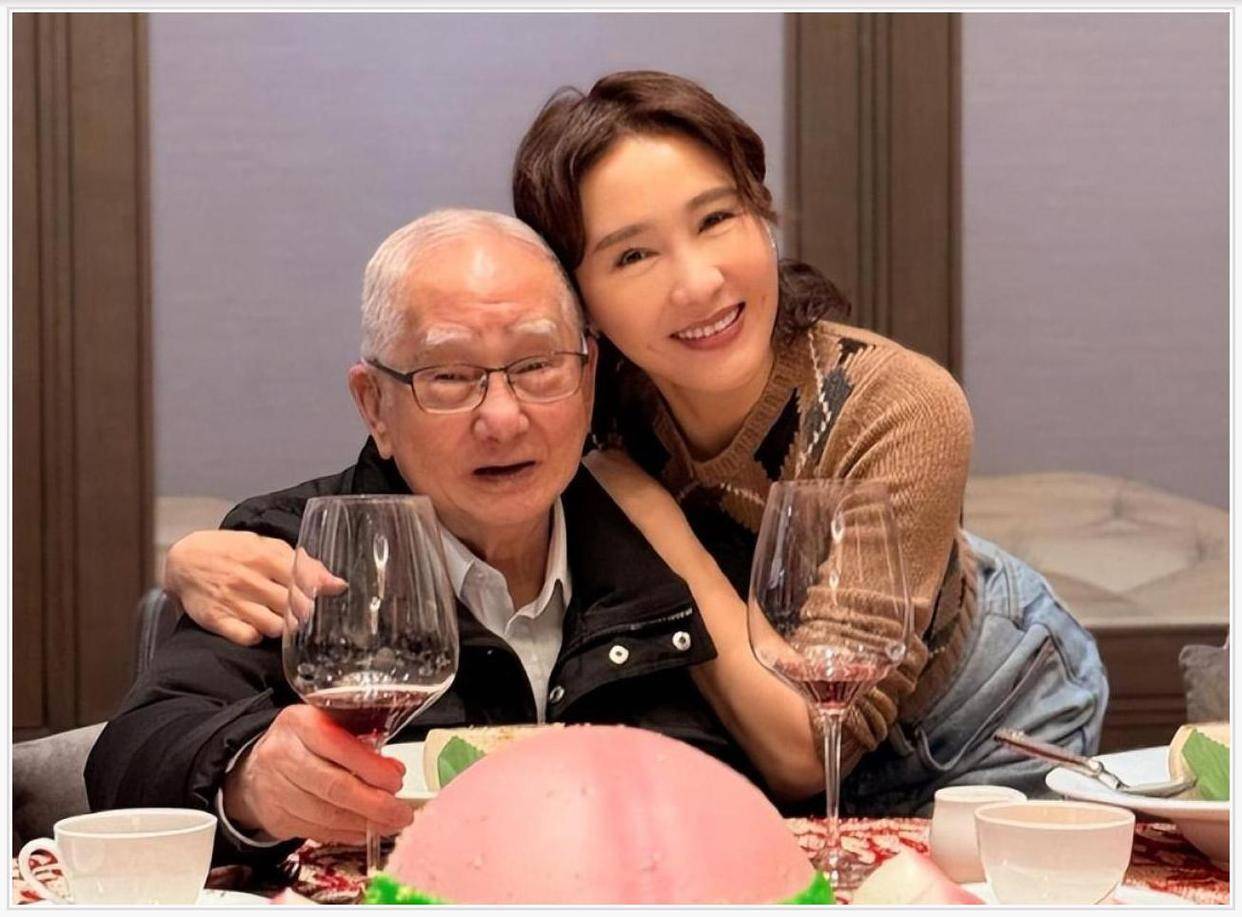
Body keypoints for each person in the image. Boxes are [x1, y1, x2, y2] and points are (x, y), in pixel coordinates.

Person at [161, 71, 1108, 816]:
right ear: (581, 302)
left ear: (764, 213)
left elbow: (803, 741)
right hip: (771, 714)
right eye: (633, 254)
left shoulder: (895, 404)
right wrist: (195, 558)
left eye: (718, 219)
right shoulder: (580, 389)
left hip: (972, 702)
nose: (697, 283)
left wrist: (652, 513)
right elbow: (431, 397)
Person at [85, 209, 821, 867]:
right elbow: (133, 756)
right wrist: (248, 780)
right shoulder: (298, 548)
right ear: (375, 404)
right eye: (449, 376)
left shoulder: (655, 535)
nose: (502, 417)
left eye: (537, 366)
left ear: (588, 376)